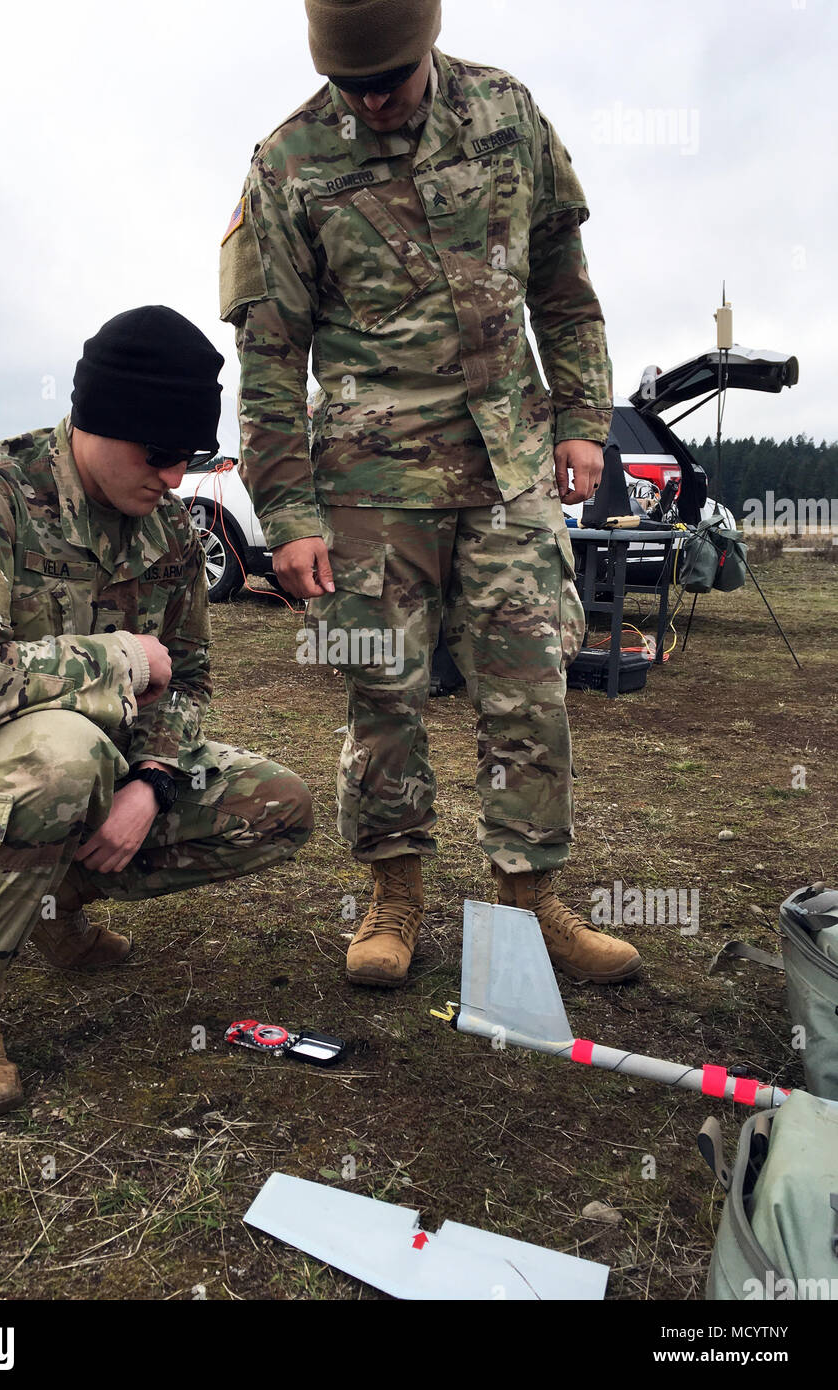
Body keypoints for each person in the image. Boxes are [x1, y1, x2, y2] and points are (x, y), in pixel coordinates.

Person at [219, 0, 640, 988]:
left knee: (531, 686)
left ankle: (529, 901)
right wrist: (286, 516)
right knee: (383, 695)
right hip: (370, 479)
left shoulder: (507, 115)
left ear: (428, 41)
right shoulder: (288, 164)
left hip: (509, 460)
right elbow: (271, 357)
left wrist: (583, 415)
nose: (370, 102)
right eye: (349, 86)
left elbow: (561, 283)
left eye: (389, 82)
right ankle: (393, 896)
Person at [0, 306, 313, 1120]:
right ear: (99, 423)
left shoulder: (167, 531)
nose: (177, 477)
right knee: (62, 754)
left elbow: (191, 676)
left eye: (193, 457)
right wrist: (121, 658)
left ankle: (51, 903)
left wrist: (148, 779)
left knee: (276, 805)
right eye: (162, 454)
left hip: (82, 765)